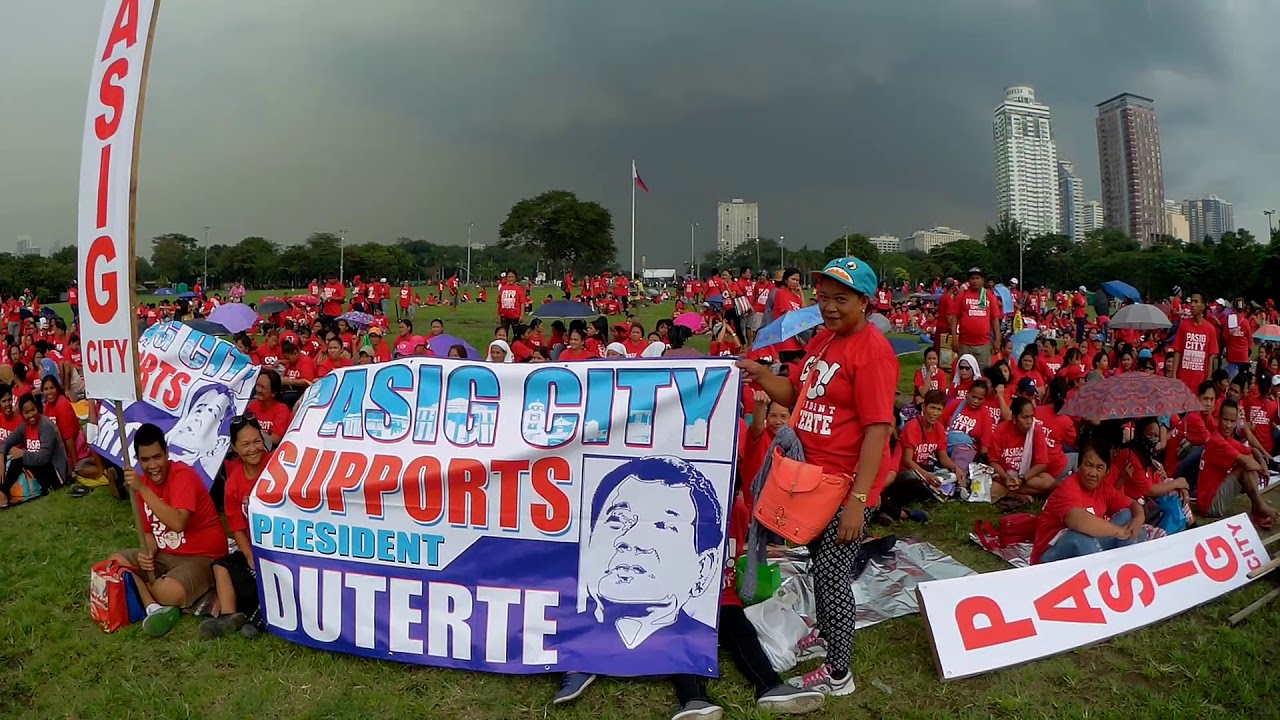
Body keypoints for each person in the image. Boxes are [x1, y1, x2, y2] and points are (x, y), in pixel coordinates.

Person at [737, 257, 898, 696]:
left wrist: (858, 501)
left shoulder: (873, 352)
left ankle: (838, 673)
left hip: (846, 484)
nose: (828, 306)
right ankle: (828, 632)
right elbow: (797, 395)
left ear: (864, 302)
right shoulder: (824, 340)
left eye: (840, 299)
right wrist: (763, 376)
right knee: (817, 560)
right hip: (811, 477)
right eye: (824, 297)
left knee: (831, 572)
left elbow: (878, 431)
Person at [102, 423, 227, 636]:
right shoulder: (141, 484)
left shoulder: (181, 475)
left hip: (202, 555)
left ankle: (145, 593)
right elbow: (149, 532)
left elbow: (178, 523)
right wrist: (147, 553)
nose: (153, 466)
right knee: (113, 564)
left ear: (167, 453)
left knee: (168, 591)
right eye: (145, 460)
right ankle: (152, 605)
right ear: (138, 459)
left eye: (157, 457)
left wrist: (142, 489)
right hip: (165, 552)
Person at [200, 416, 268, 639]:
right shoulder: (233, 483)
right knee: (222, 566)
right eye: (245, 444)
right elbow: (237, 527)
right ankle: (229, 616)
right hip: (253, 548)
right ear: (234, 448)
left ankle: (261, 619)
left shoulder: (278, 465)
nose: (253, 449)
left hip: (280, 547)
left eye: (257, 441)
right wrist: (249, 556)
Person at [1031, 434, 1146, 564]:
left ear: (1107, 471)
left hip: (1090, 546)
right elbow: (1079, 521)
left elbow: (1133, 504)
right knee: (1079, 538)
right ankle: (1105, 569)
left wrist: (1138, 518)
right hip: (1050, 556)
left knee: (1129, 517)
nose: (1093, 473)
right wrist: (1119, 532)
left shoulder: (1103, 487)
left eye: (1099, 468)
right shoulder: (1067, 487)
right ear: (1079, 466)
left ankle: (1124, 565)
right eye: (1089, 465)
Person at [882, 390, 966, 525]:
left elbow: (943, 458)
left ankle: (943, 490)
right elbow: (907, 460)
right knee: (915, 480)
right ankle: (893, 505)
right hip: (906, 471)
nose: (934, 413)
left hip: (923, 469)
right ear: (924, 407)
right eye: (932, 408)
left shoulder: (939, 429)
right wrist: (926, 476)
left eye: (939, 409)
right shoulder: (912, 426)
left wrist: (956, 468)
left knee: (946, 474)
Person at [1197, 399, 1279, 527]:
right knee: (1244, 467)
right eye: (1225, 420)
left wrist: (1262, 462)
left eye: (1232, 421)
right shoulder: (1216, 440)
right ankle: (1261, 507)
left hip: (1215, 494)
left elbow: (1253, 450)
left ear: (1236, 422)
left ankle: (1257, 510)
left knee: (1249, 459)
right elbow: (1247, 463)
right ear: (1218, 419)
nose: (1228, 425)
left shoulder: (1227, 439)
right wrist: (1262, 469)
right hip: (1209, 505)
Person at [0, 392, 70, 507]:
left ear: (37, 408)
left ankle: (3, 492)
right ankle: (4, 491)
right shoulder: (25, 426)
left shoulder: (46, 426)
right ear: (22, 414)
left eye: (33, 410)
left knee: (18, 459)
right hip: (38, 466)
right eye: (26, 412)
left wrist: (23, 454)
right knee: (13, 457)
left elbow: (44, 457)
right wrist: (1, 460)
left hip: (55, 472)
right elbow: (6, 442)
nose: (31, 415)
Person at [989, 397, 1063, 501]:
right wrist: (1005, 478)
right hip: (1005, 474)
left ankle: (1009, 492)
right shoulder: (1001, 429)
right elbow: (993, 461)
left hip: (1026, 475)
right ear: (1014, 418)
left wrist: (1022, 479)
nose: (1029, 421)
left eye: (1032, 416)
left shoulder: (1036, 430)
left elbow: (1042, 464)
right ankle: (1016, 493)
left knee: (1049, 483)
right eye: (1025, 417)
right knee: (993, 488)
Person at [950, 267, 1001, 368]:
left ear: (982, 280)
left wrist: (997, 340)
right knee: (965, 371)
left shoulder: (989, 296)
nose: (975, 281)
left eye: (977, 278)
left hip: (984, 344)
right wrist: (954, 338)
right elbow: (954, 317)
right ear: (969, 281)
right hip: (965, 343)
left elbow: (995, 319)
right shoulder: (962, 295)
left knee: (984, 372)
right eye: (972, 278)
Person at [1171, 293, 1218, 394]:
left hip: (1200, 379)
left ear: (1203, 306)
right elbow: (1177, 351)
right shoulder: (1183, 326)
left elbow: (1211, 356)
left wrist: (1208, 378)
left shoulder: (1210, 329)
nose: (1192, 305)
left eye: (1196, 302)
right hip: (1182, 377)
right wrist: (1173, 375)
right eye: (1191, 302)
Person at [246, 369, 292, 449]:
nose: (258, 390)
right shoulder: (251, 405)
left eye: (263, 387)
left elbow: (275, 439)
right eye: (257, 385)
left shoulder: (282, 410)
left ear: (273, 393)